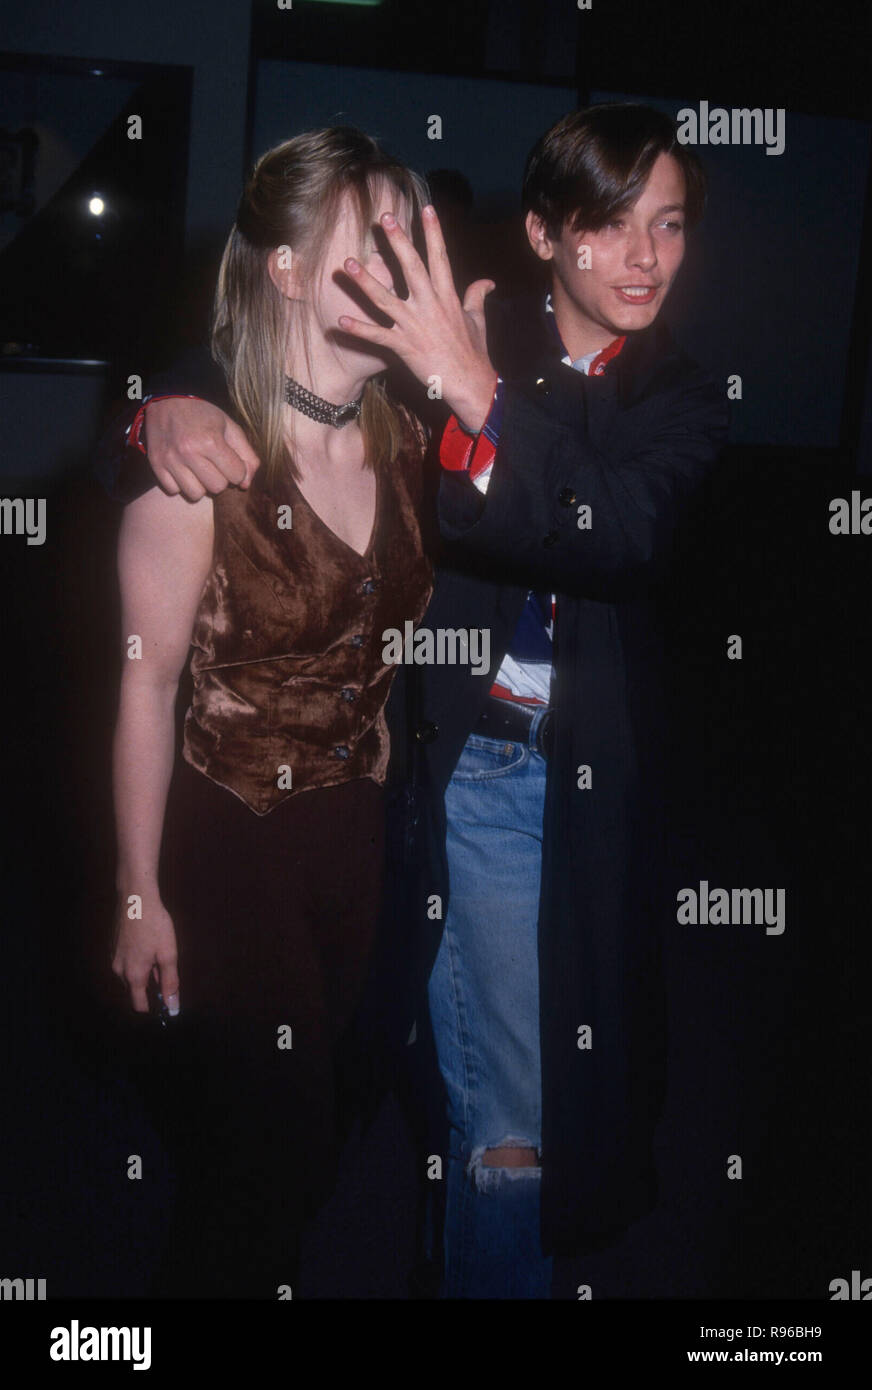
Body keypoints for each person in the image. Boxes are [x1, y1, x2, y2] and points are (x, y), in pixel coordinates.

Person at [102, 104, 729, 1299]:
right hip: (428, 778)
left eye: (669, 223)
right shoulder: (453, 321)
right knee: (437, 1111)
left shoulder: (660, 392)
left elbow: (621, 520)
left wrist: (473, 390)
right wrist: (157, 410)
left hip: (538, 779)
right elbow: (267, 341)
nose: (642, 256)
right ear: (541, 235)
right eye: (604, 224)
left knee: (435, 1085)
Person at [108, 126, 434, 1298]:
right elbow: (144, 684)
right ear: (286, 268)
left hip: (358, 836)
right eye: (367, 243)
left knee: (313, 1139)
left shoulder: (405, 441)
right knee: (270, 1154)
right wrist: (138, 891)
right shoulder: (200, 463)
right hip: (231, 833)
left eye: (408, 240)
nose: (398, 271)